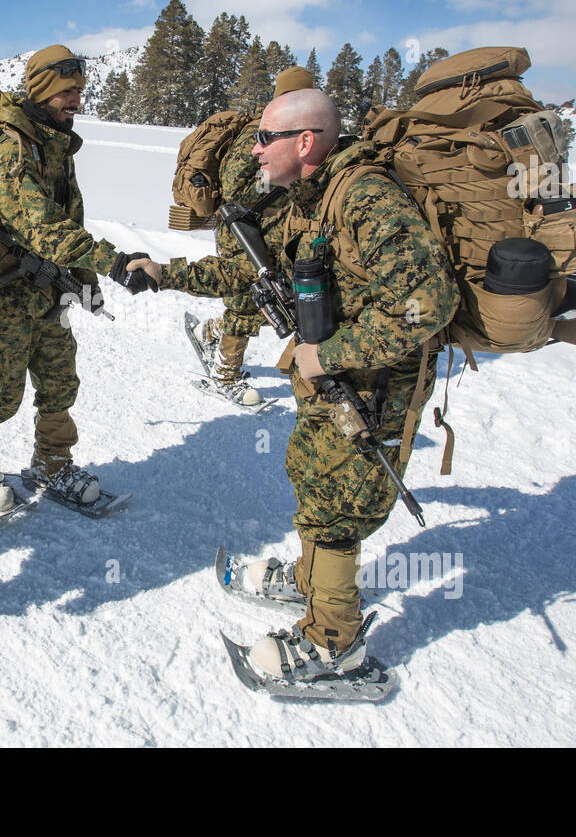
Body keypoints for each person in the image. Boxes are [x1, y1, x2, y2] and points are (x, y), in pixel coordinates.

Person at [131, 88, 459, 681]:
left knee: (338, 505)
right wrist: (162, 272)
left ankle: (334, 645)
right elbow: (248, 270)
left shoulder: (365, 199)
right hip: (333, 376)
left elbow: (428, 304)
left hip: (373, 385)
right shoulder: (308, 197)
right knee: (313, 477)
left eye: (264, 139)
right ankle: (312, 581)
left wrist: (329, 353)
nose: (254, 152)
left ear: (304, 142)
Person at [0, 44, 148, 513]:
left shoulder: (57, 148)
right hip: (4, 290)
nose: (77, 101)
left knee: (60, 379)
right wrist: (115, 262)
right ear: (41, 90)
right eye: (67, 92)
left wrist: (86, 284)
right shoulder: (12, 149)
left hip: (51, 289)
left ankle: (53, 461)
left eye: (79, 91)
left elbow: (71, 221)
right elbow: (43, 226)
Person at [189, 65, 318, 405]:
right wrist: (281, 176)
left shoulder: (300, 133)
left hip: (272, 237)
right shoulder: (261, 132)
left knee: (261, 305)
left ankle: (210, 332)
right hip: (243, 234)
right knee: (248, 305)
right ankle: (225, 375)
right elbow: (237, 190)